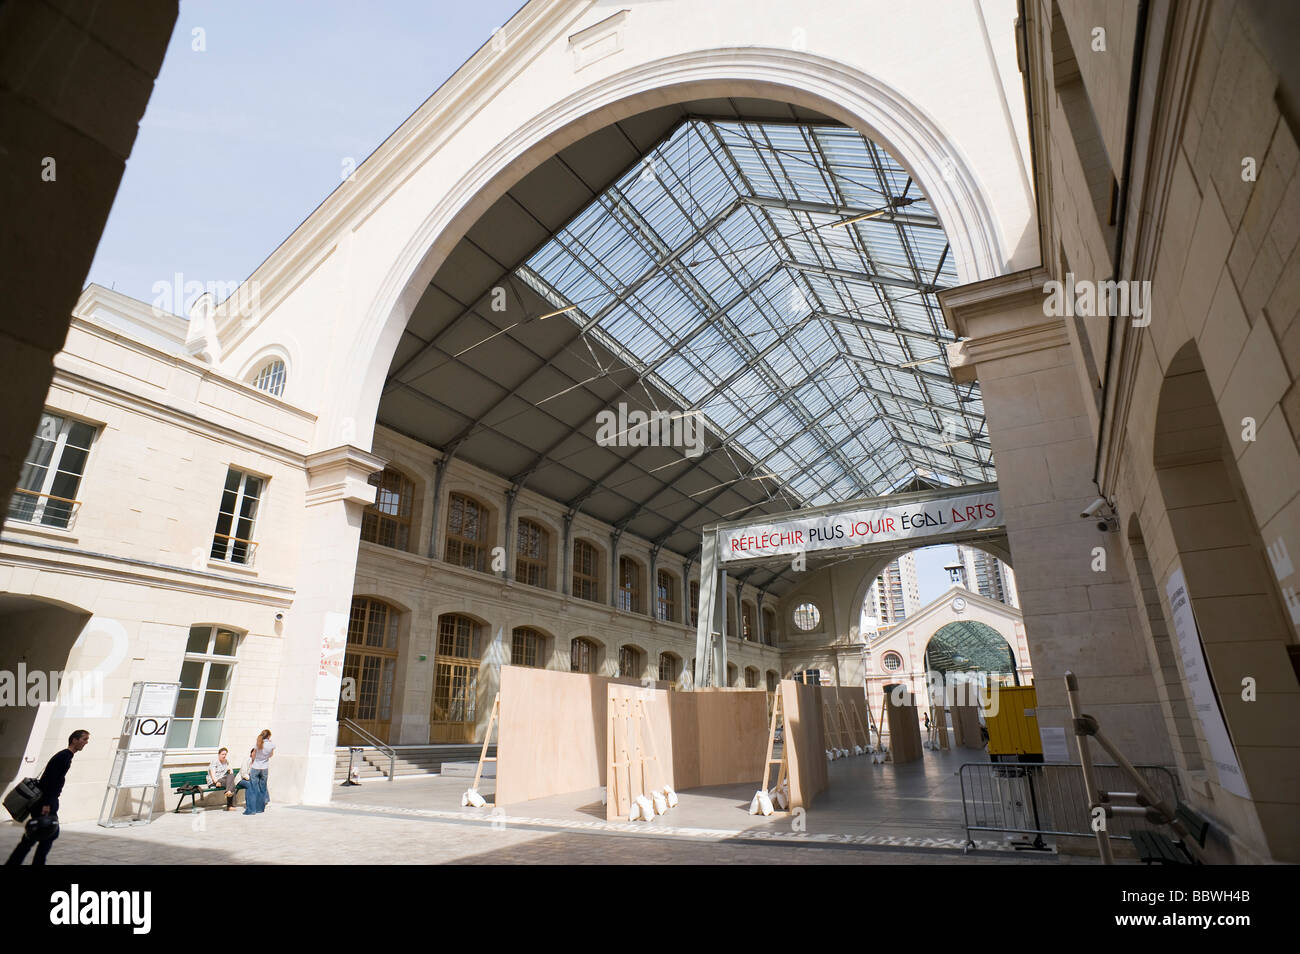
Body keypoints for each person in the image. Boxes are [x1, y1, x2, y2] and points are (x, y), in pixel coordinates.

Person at [6, 729, 90, 865]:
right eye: (84, 739)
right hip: (46, 803)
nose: (86, 743)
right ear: (74, 740)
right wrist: (47, 804)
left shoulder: (65, 756)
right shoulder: (64, 757)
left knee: (37, 835)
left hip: (47, 801)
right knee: (45, 834)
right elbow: (50, 781)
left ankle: (15, 862)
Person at [244, 729, 274, 815]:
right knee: (263, 788)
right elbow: (271, 755)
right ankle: (260, 809)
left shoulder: (258, 744)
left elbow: (253, 754)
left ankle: (252, 810)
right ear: (268, 736)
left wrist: (254, 761)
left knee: (253, 788)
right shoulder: (272, 744)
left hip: (256, 767)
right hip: (264, 768)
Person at [208, 747, 239, 811]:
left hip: (222, 780)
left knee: (231, 776)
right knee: (232, 784)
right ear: (219, 754)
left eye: (225, 754)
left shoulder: (226, 761)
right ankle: (230, 806)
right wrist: (216, 782)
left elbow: (230, 771)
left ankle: (228, 791)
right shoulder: (215, 762)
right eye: (223, 754)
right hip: (215, 781)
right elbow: (212, 774)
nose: (224, 756)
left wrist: (230, 769)